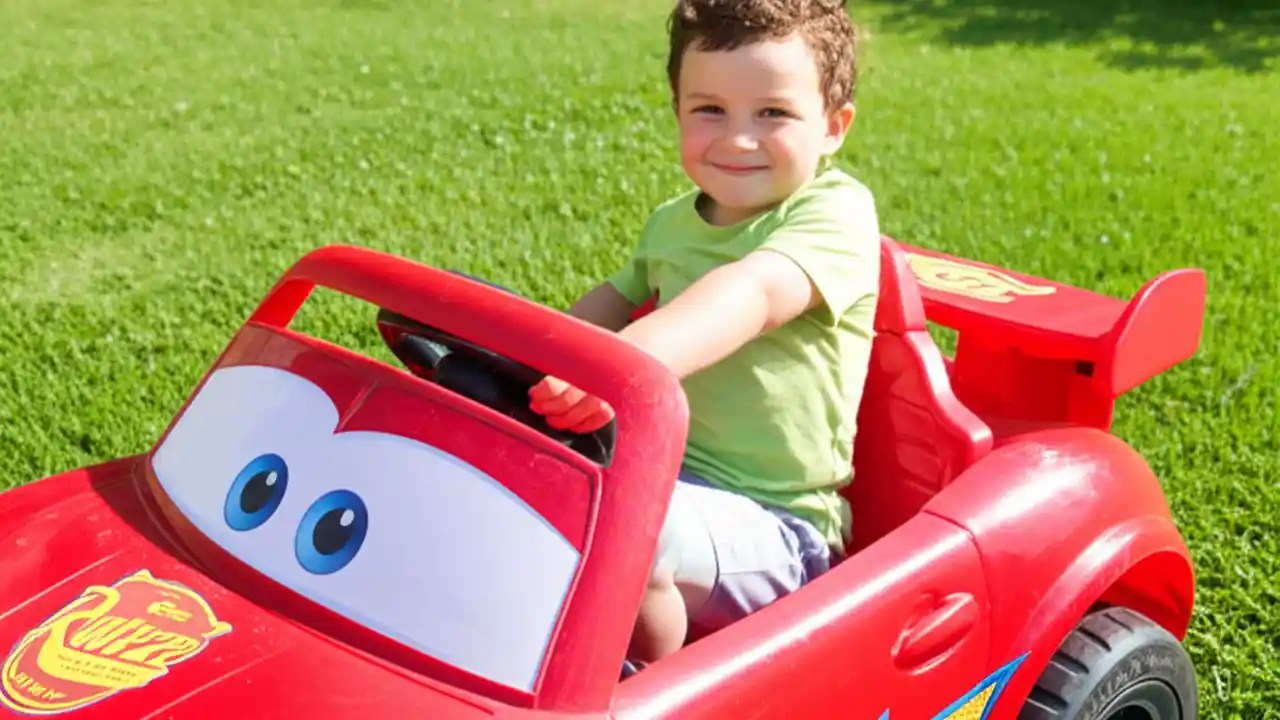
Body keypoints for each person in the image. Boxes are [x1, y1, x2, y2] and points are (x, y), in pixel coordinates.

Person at [529, 0, 880, 666]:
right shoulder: (672, 222)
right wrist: (527, 353)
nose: (738, 139)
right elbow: (606, 304)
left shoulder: (835, 213)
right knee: (529, 479)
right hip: (657, 469)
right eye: (709, 110)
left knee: (631, 527)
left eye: (772, 113)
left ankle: (638, 684)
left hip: (780, 528)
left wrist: (627, 365)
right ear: (678, 113)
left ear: (834, 127)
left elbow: (750, 295)